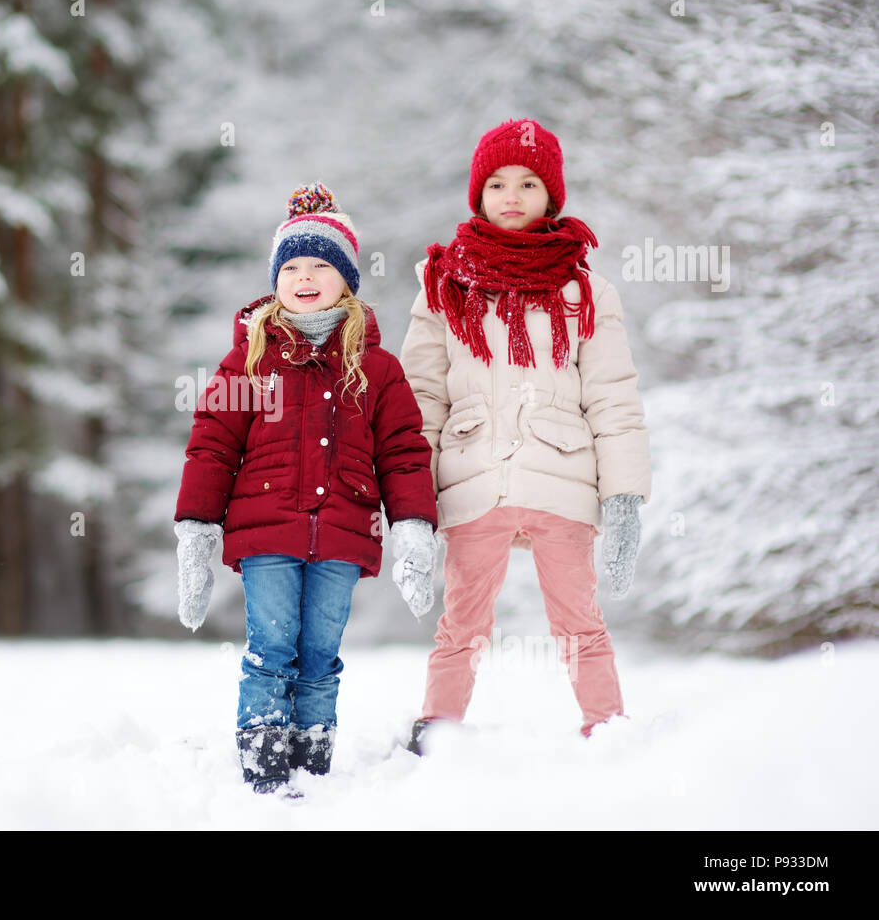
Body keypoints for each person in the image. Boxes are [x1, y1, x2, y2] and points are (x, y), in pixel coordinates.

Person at [174, 182, 440, 796]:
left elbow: (403, 451)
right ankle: (265, 768)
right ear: (276, 279)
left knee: (320, 654)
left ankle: (311, 765)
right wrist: (196, 530)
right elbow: (212, 444)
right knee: (272, 646)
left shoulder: (376, 368)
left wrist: (412, 526)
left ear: (347, 278)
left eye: (321, 265)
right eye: (291, 267)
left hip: (344, 535)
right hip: (266, 531)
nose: (305, 277)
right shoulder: (250, 360)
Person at [398, 119, 651, 750]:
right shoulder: (442, 286)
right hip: (471, 479)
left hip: (562, 479)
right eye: (498, 183)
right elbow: (420, 398)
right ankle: (438, 728)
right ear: (479, 196)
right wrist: (411, 507)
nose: (512, 195)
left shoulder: (585, 290)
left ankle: (606, 727)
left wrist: (623, 497)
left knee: (579, 621)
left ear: (551, 196)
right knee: (460, 622)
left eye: (529, 183)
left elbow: (614, 399)